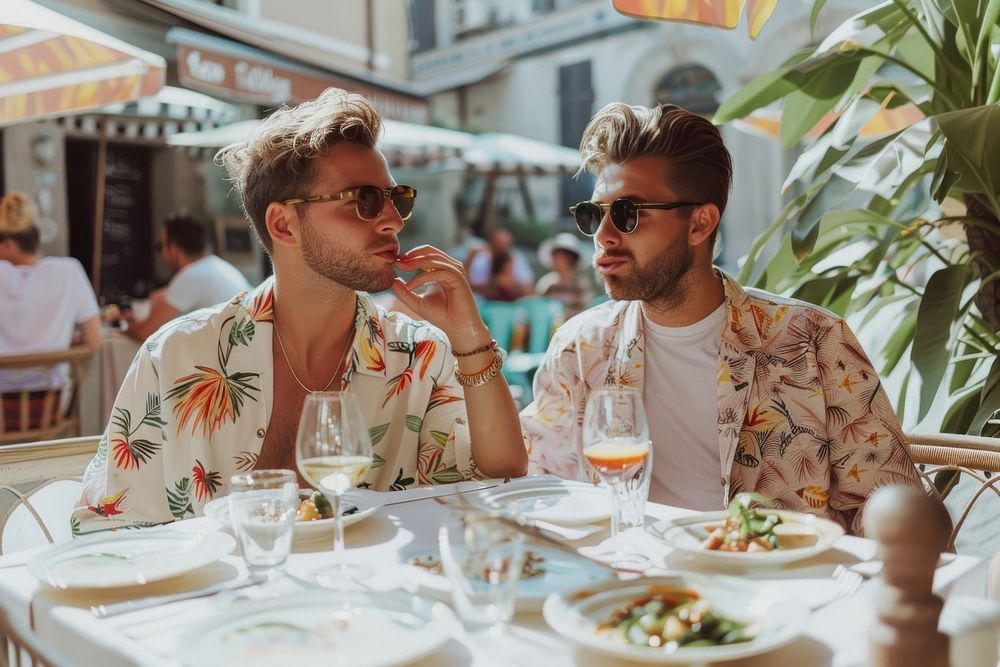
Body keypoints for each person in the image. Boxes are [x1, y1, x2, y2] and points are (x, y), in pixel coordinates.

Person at [75, 88, 527, 533]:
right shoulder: (175, 355)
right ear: (283, 224)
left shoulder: (420, 353)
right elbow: (108, 528)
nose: (393, 220)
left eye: (398, 198)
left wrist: (469, 335)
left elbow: (500, 474)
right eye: (364, 200)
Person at [519, 103, 921, 535]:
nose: (603, 235)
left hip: (787, 587)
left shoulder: (813, 340)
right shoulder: (581, 348)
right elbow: (541, 489)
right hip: (637, 584)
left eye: (627, 213)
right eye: (594, 214)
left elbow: (893, 509)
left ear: (700, 224)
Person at [0, 192, 100, 417]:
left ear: (7, 243)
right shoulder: (69, 271)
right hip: (48, 406)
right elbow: (94, 341)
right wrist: (56, 344)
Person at [122, 215, 251, 341]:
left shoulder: (191, 275)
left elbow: (144, 333)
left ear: (173, 249)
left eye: (160, 246)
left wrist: (124, 327)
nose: (162, 254)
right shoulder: (216, 266)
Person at [535, 231, 594, 318]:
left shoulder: (582, 286)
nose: (555, 260)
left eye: (560, 257)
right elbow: (539, 310)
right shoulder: (546, 284)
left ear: (571, 259)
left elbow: (588, 310)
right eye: (554, 256)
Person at [466, 229, 534, 297]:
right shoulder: (480, 260)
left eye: (503, 245)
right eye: (497, 244)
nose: (500, 248)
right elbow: (467, 285)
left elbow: (528, 290)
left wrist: (512, 285)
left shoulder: (517, 260)